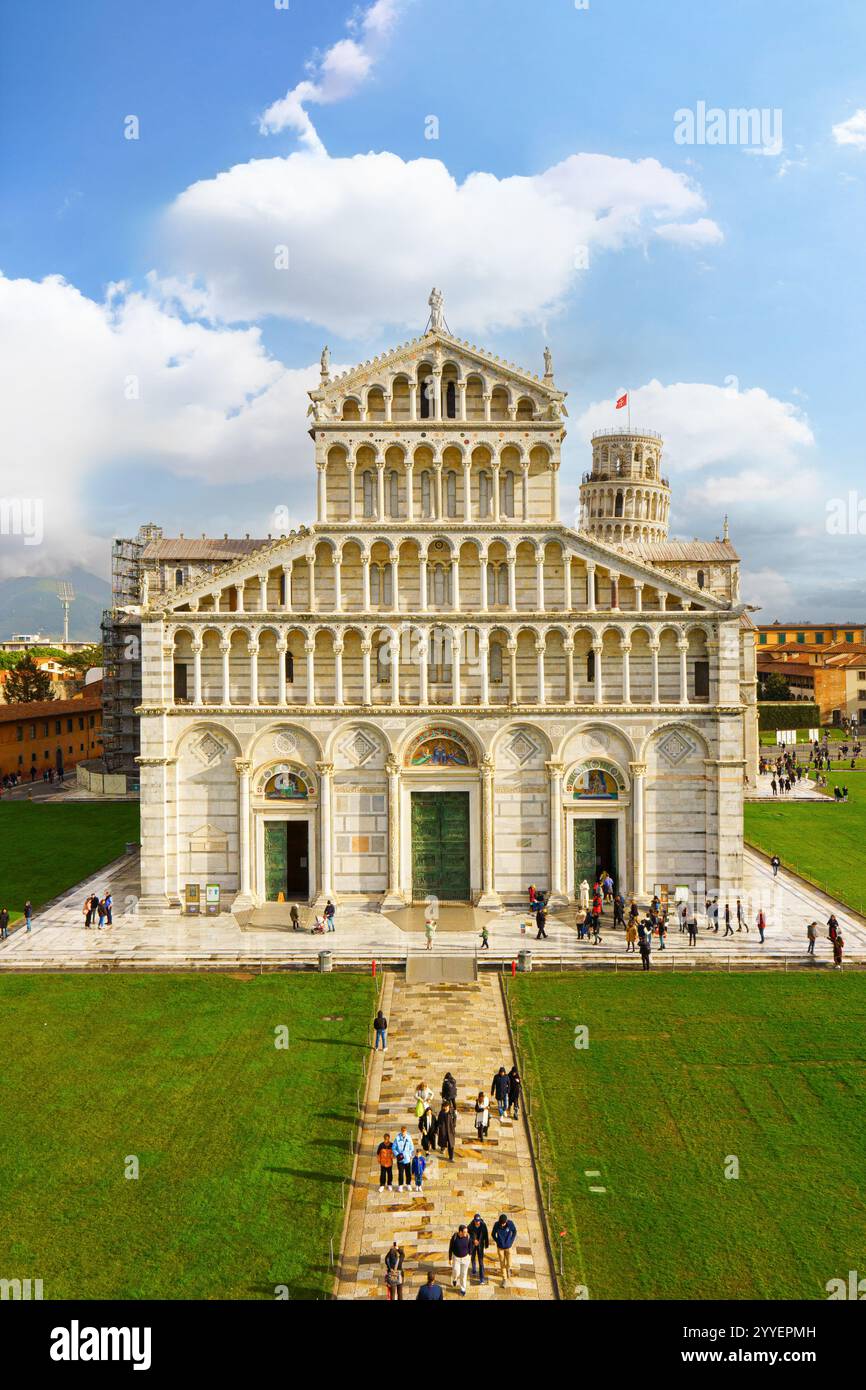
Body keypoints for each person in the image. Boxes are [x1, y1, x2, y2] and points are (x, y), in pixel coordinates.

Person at [491, 1212, 517, 1287]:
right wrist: (497, 1241)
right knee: (502, 1263)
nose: (502, 1224)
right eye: (501, 1223)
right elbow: (493, 1234)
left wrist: (511, 1241)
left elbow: (514, 1231)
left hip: (508, 1247)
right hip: (500, 1248)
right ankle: (504, 1279)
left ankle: (508, 1269)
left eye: (503, 1223)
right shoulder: (496, 1224)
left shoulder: (510, 1224)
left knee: (509, 1263)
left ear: (506, 1222)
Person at [449, 1225, 472, 1296]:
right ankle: (455, 1279)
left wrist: (470, 1254)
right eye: (464, 1232)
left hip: (465, 1259)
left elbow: (470, 1246)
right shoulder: (454, 1237)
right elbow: (450, 1248)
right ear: (460, 1232)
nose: (466, 1233)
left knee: (464, 1274)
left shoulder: (467, 1236)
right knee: (456, 1272)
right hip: (456, 1259)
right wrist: (450, 1258)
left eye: (466, 1232)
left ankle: (463, 1289)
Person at [468, 1213, 489, 1285]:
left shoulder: (483, 1225)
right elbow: (467, 1234)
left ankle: (482, 1278)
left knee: (481, 1261)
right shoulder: (470, 1226)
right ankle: (474, 1269)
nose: (477, 1222)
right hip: (473, 1245)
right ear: (474, 1220)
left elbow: (486, 1235)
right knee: (473, 1257)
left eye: (478, 1221)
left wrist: (486, 1244)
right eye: (476, 1221)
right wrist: (474, 1240)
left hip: (480, 1245)